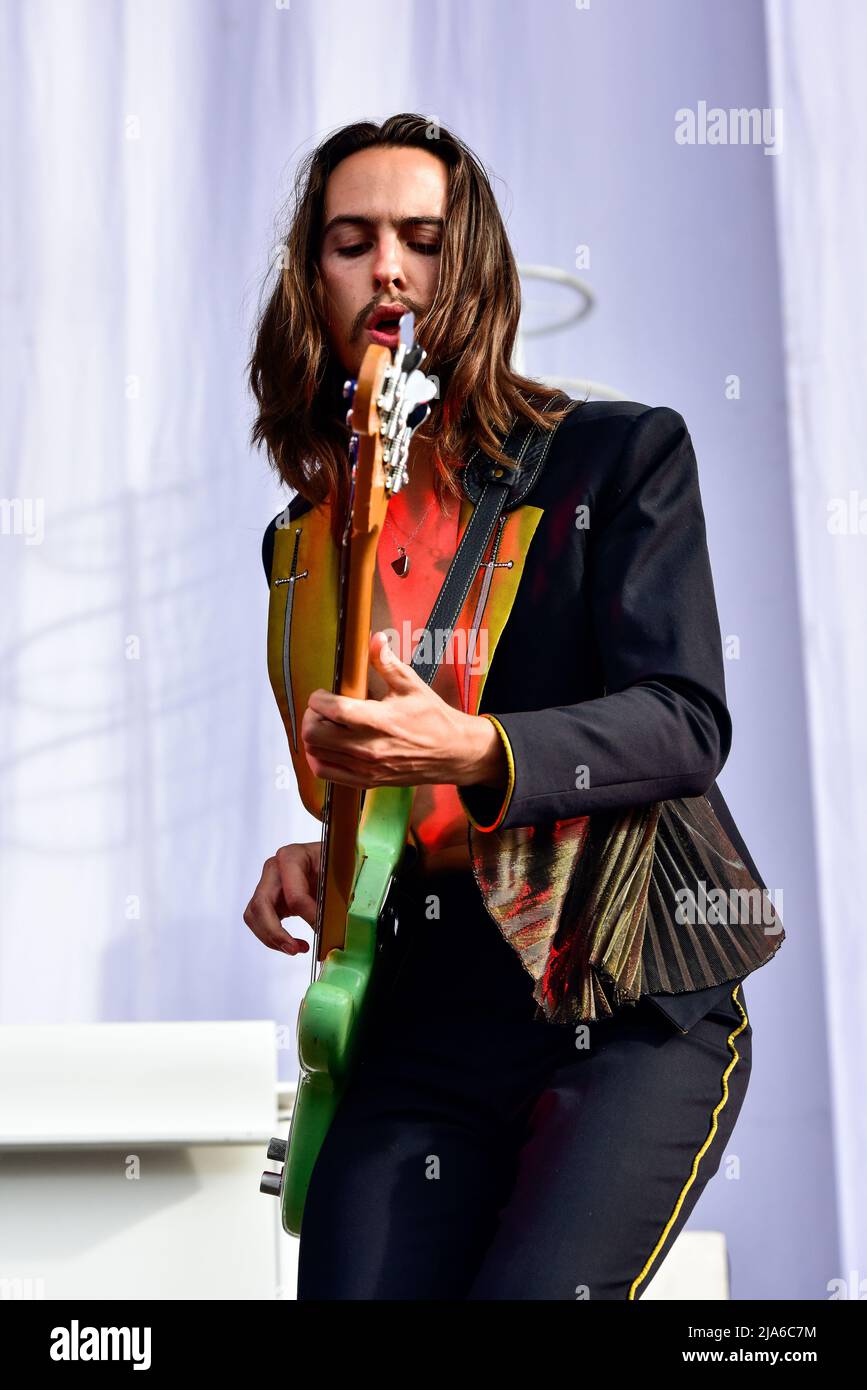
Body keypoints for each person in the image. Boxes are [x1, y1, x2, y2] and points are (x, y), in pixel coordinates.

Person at [243, 114, 783, 1300]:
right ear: (311, 281)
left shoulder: (617, 457)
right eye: (350, 239)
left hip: (624, 988)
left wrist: (481, 748)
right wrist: (326, 852)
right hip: (423, 1007)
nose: (389, 266)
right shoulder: (303, 542)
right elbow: (386, 787)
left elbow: (684, 719)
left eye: (422, 238)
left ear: (472, 267)